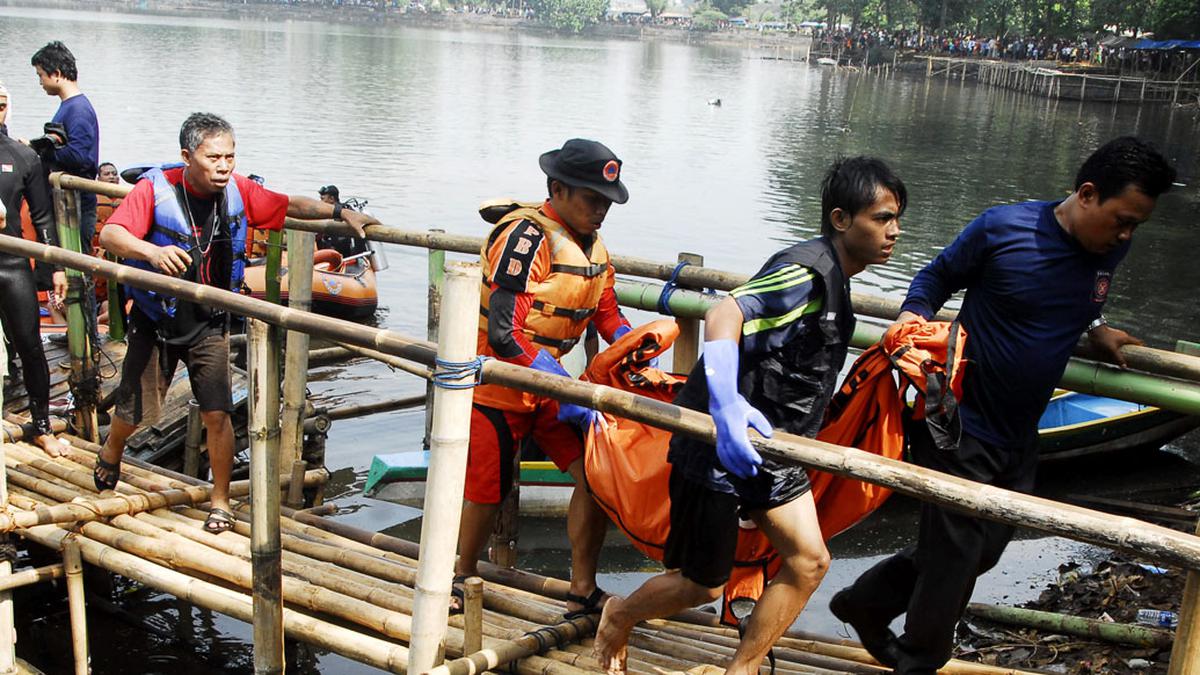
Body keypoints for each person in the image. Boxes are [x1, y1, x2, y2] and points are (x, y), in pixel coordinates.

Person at [828, 137, 1177, 674]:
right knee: (956, 553)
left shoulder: (1111, 245)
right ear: (1087, 194)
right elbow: (936, 276)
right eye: (1121, 220)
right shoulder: (1004, 229)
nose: (1127, 234)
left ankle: (864, 602)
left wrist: (1098, 328)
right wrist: (910, 314)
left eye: (1136, 225)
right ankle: (920, 660)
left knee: (981, 550)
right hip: (958, 422)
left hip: (1019, 431)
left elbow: (1077, 296)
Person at [594, 157, 907, 675]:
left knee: (809, 561)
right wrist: (725, 404)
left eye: (897, 219)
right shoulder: (805, 271)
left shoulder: (838, 281)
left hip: (774, 446)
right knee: (703, 584)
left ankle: (740, 668)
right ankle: (620, 614)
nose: (894, 231)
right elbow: (725, 312)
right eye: (882, 218)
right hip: (720, 441)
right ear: (841, 219)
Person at [97, 112, 377, 533]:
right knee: (134, 411)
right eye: (214, 157)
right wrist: (151, 254)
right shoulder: (153, 189)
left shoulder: (238, 190)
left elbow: (289, 205)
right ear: (187, 156)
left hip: (209, 321)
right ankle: (111, 451)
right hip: (157, 319)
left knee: (217, 414)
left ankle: (220, 502)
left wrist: (341, 213)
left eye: (230, 156)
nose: (224, 165)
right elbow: (111, 236)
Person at [455, 138, 632, 616]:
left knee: (595, 478)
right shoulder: (526, 237)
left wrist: (636, 347)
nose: (601, 211)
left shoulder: (595, 247)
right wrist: (556, 378)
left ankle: (582, 587)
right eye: (592, 199)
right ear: (557, 189)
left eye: (607, 202)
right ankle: (460, 575)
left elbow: (609, 317)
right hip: (498, 382)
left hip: (550, 387)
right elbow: (504, 331)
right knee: (487, 489)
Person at [0, 82, 68, 455]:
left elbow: (43, 217)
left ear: (7, 109)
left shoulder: (23, 157)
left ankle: (42, 426)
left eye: (0, 104)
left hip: (11, 265)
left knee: (30, 344)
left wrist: (55, 267)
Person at [31, 41, 100, 253]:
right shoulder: (69, 107)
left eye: (41, 75)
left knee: (78, 263)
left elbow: (80, 157)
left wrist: (41, 150)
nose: (40, 81)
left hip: (78, 202)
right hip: (70, 201)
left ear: (57, 73)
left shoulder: (78, 110)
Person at [315, 185, 369, 257]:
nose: (320, 202)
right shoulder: (347, 210)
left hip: (338, 252)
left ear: (331, 199)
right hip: (346, 252)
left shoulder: (341, 213)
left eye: (323, 199)